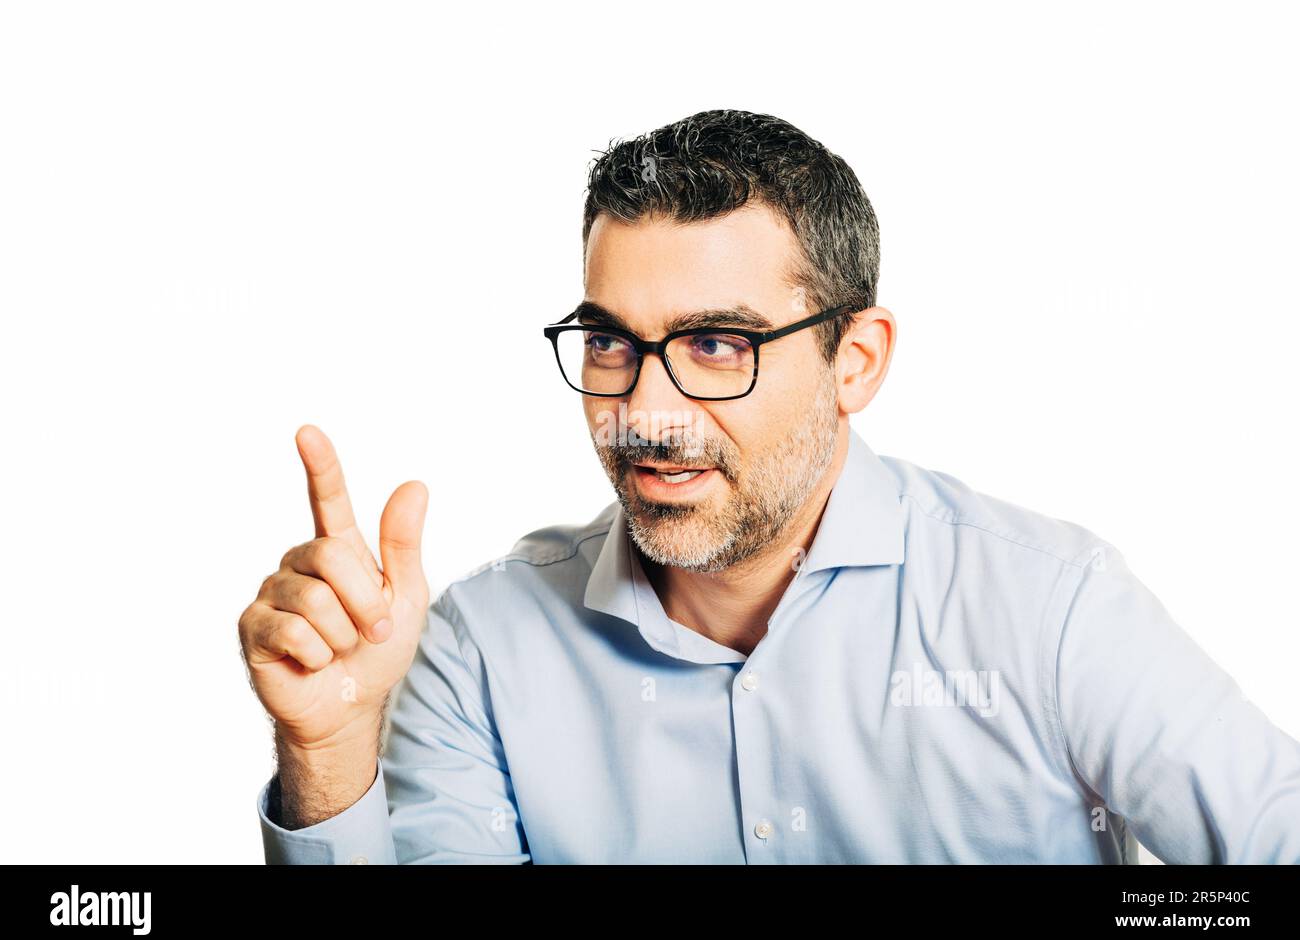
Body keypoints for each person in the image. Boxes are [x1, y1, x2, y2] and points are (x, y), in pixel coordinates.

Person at [238, 109, 1300, 863]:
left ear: (857, 361)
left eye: (714, 344)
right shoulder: (478, 648)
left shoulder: (1048, 607)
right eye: (610, 341)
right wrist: (327, 755)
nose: (646, 410)